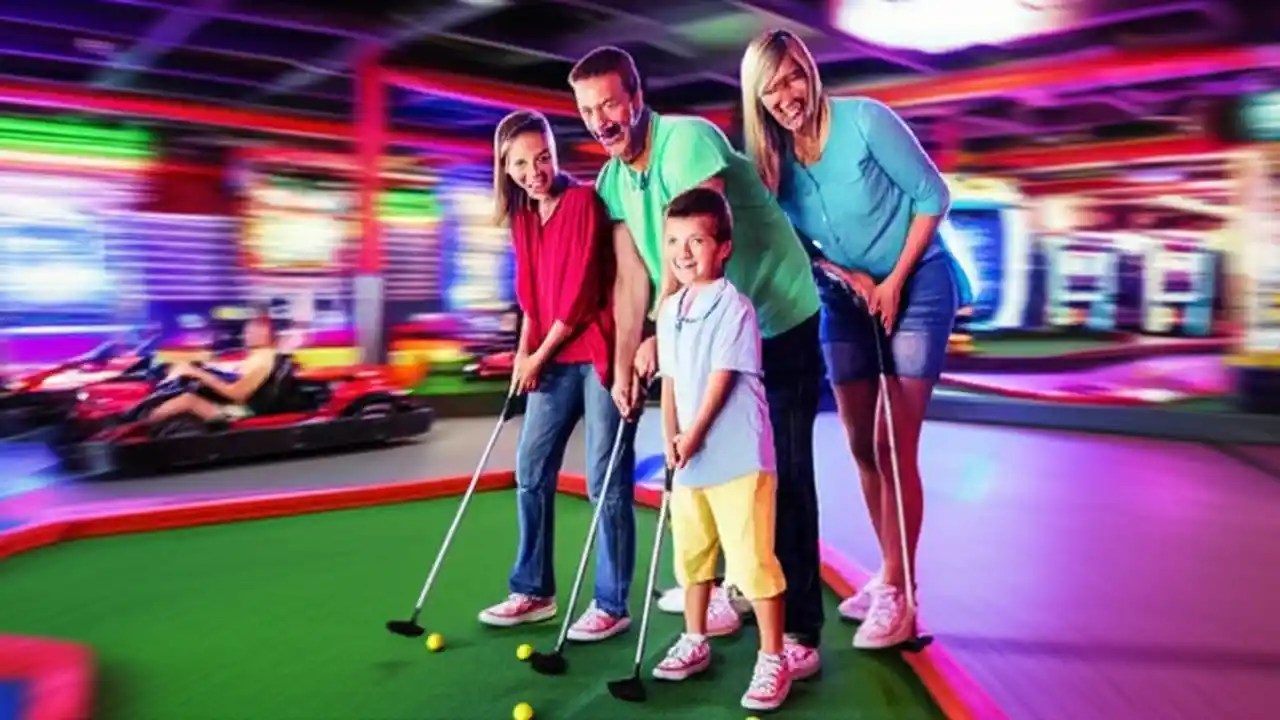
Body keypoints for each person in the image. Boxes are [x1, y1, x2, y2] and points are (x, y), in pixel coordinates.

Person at [568, 46, 826, 678]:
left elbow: (698, 249)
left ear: (634, 97)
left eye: (609, 103)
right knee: (708, 467)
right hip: (700, 331)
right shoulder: (612, 183)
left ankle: (799, 631)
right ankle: (730, 594)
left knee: (778, 469)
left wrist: (666, 328)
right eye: (586, 109)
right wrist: (628, 362)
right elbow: (634, 279)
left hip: (776, 312)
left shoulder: (686, 143)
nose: (600, 119)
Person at [740, 30, 970, 649]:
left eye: (792, 76)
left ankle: (901, 589)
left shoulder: (867, 121)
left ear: (809, 71)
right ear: (757, 99)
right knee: (862, 445)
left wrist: (893, 280)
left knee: (895, 445)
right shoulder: (775, 164)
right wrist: (849, 276)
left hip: (918, 281)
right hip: (846, 296)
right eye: (771, 87)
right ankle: (886, 570)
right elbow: (802, 243)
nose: (786, 94)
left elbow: (933, 195)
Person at [476, 110, 637, 643]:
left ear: (553, 150)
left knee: (603, 480)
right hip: (548, 356)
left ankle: (611, 604)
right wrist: (523, 356)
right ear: (505, 166)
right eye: (520, 163)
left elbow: (578, 299)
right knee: (531, 470)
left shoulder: (584, 201)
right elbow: (532, 302)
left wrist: (537, 356)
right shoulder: (521, 219)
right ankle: (533, 591)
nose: (534, 170)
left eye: (541, 156)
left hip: (594, 354)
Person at [654, 187, 790, 712]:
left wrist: (691, 434)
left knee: (752, 561)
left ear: (724, 247)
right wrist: (670, 434)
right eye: (673, 241)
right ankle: (695, 638)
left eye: (697, 240)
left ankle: (773, 657)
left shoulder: (735, 308)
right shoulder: (669, 310)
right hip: (691, 459)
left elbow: (720, 381)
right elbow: (669, 381)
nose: (683, 253)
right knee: (692, 557)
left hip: (737, 457)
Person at [146, 307, 279, 424]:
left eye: (255, 330)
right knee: (183, 389)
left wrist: (200, 374)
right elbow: (232, 373)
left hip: (238, 411)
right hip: (230, 404)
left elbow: (237, 394)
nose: (247, 333)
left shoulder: (263, 360)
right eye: (248, 329)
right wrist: (205, 368)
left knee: (187, 400)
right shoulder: (256, 356)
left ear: (269, 334)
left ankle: (141, 428)